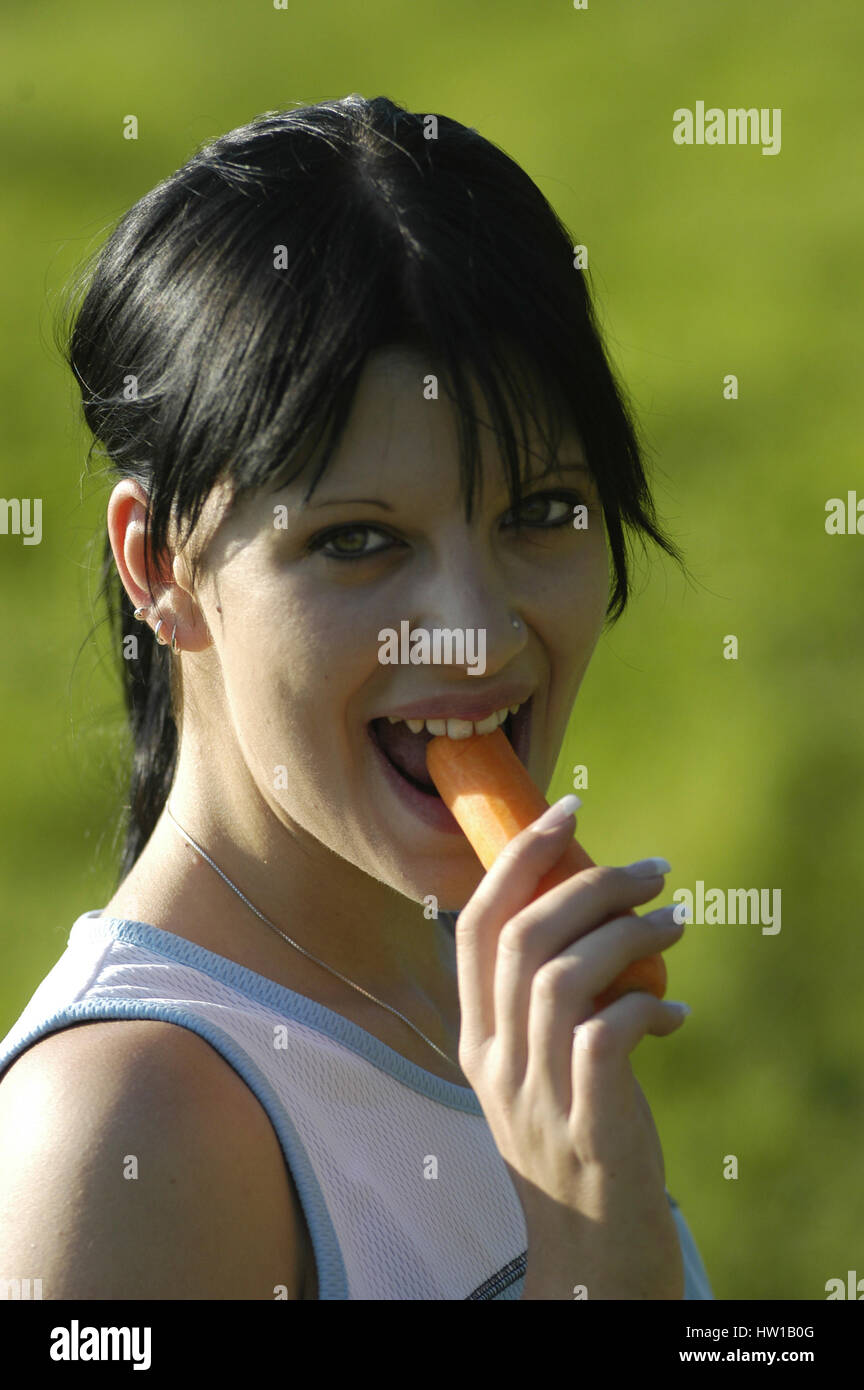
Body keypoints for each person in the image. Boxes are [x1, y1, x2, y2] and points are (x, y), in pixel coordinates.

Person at [0, 95, 713, 1300]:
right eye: (358, 540)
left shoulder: (473, 981)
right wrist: (595, 1254)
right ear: (159, 566)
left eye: (539, 512)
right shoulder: (120, 1134)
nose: (479, 631)